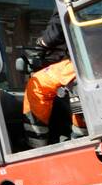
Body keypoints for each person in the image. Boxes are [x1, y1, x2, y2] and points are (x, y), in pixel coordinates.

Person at [21, 11, 78, 147]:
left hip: (80, 64)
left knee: (38, 84)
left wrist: (42, 42)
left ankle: (35, 143)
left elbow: (57, 29)